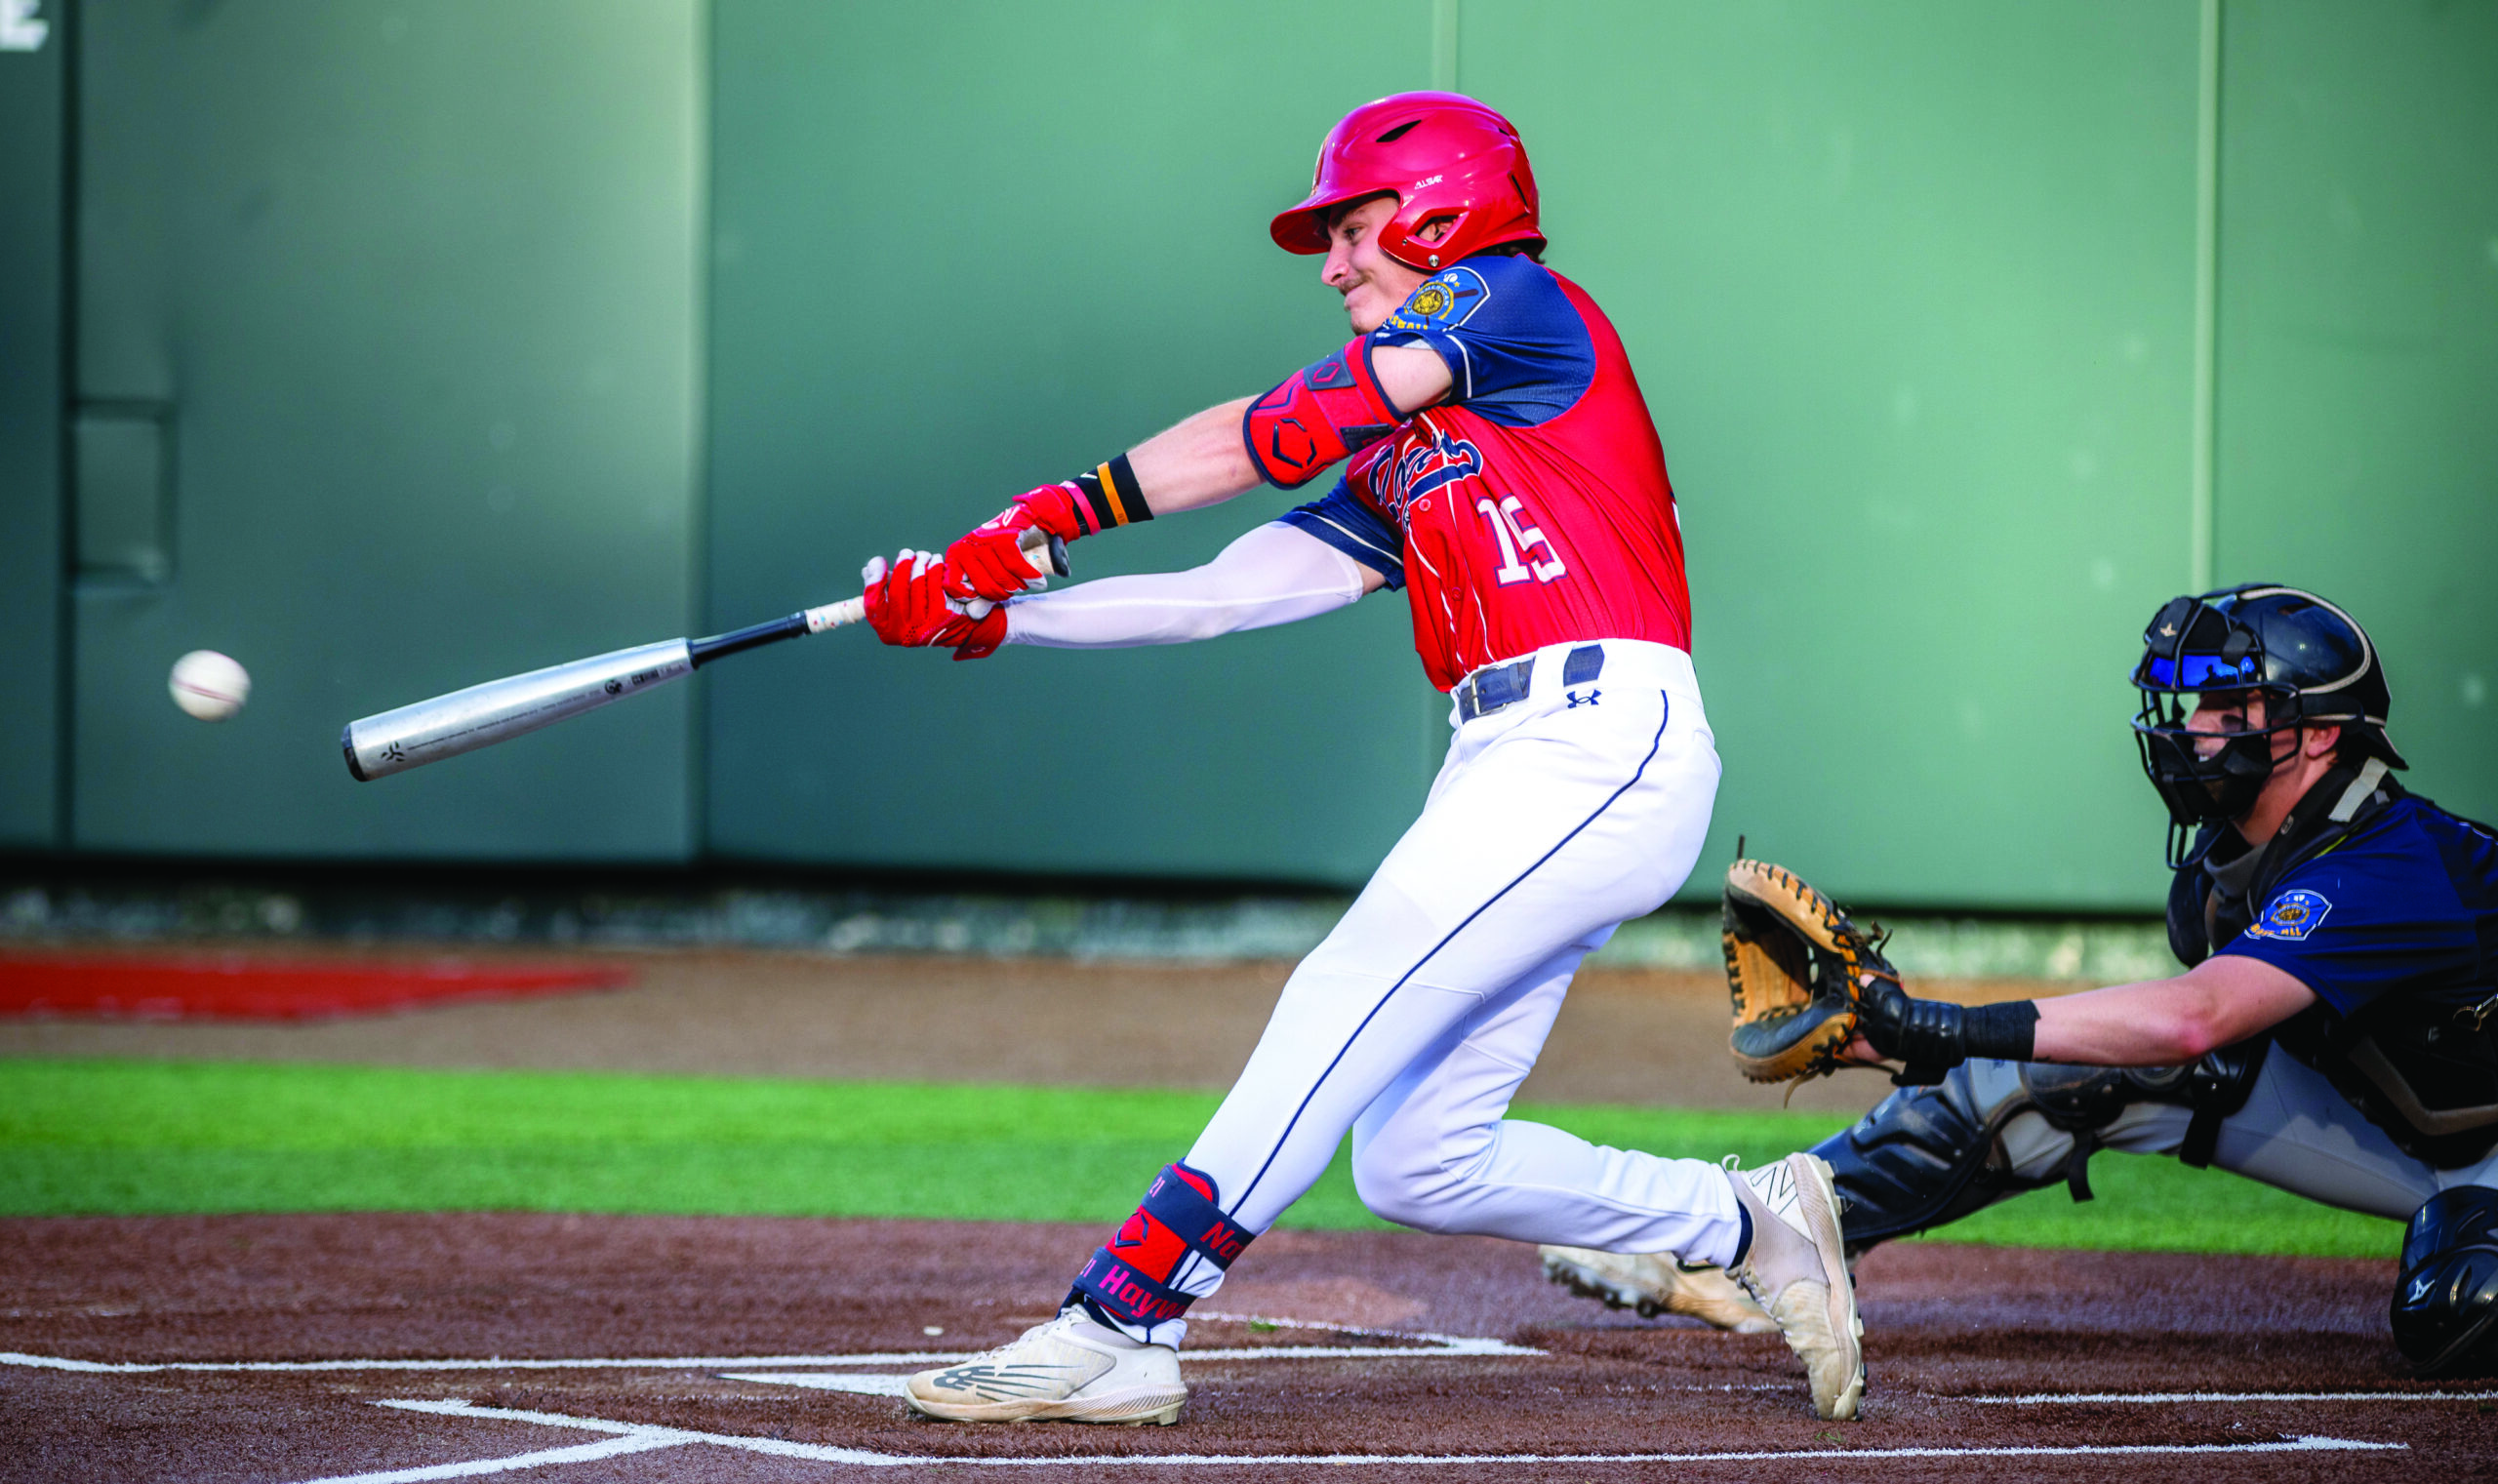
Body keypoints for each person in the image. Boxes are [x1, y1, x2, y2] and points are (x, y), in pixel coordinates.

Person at [856, 92, 1863, 1424]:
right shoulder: (1415, 442)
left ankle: (1121, 1326)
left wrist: (1042, 516)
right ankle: (1748, 1220)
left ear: (1440, 212)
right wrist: (997, 612)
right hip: (1508, 757)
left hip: (1600, 738)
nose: (1332, 266)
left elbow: (1269, 433)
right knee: (1418, 1160)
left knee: (1339, 993)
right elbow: (1225, 592)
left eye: (1352, 229)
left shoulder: (1511, 301)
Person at [1545, 583, 2498, 1378]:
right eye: (2195, 707)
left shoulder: (2386, 865)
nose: (2194, 731)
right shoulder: (2241, 858)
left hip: (2473, 1147)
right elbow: (2164, 1034)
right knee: (2066, 1070)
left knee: (2457, 1305)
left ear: (2318, 736)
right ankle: (1756, 1244)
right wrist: (1918, 1042)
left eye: (2228, 710)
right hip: (2410, 1122)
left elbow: (2198, 1017)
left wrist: (1947, 1024)